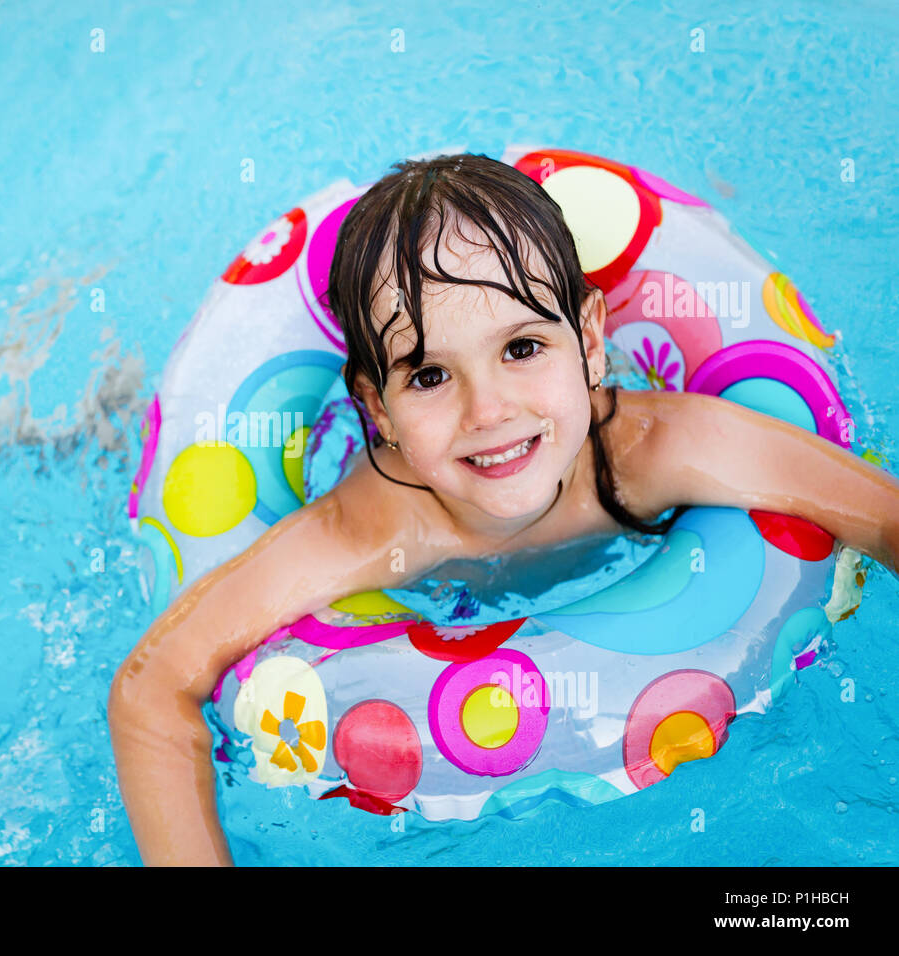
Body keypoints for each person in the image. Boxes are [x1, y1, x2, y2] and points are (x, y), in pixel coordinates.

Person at [108, 153, 899, 866]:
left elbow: (882, 513)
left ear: (591, 342)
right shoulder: (377, 525)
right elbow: (150, 689)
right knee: (92, 431)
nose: (488, 412)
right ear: (374, 410)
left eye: (522, 349)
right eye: (427, 376)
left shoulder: (650, 450)